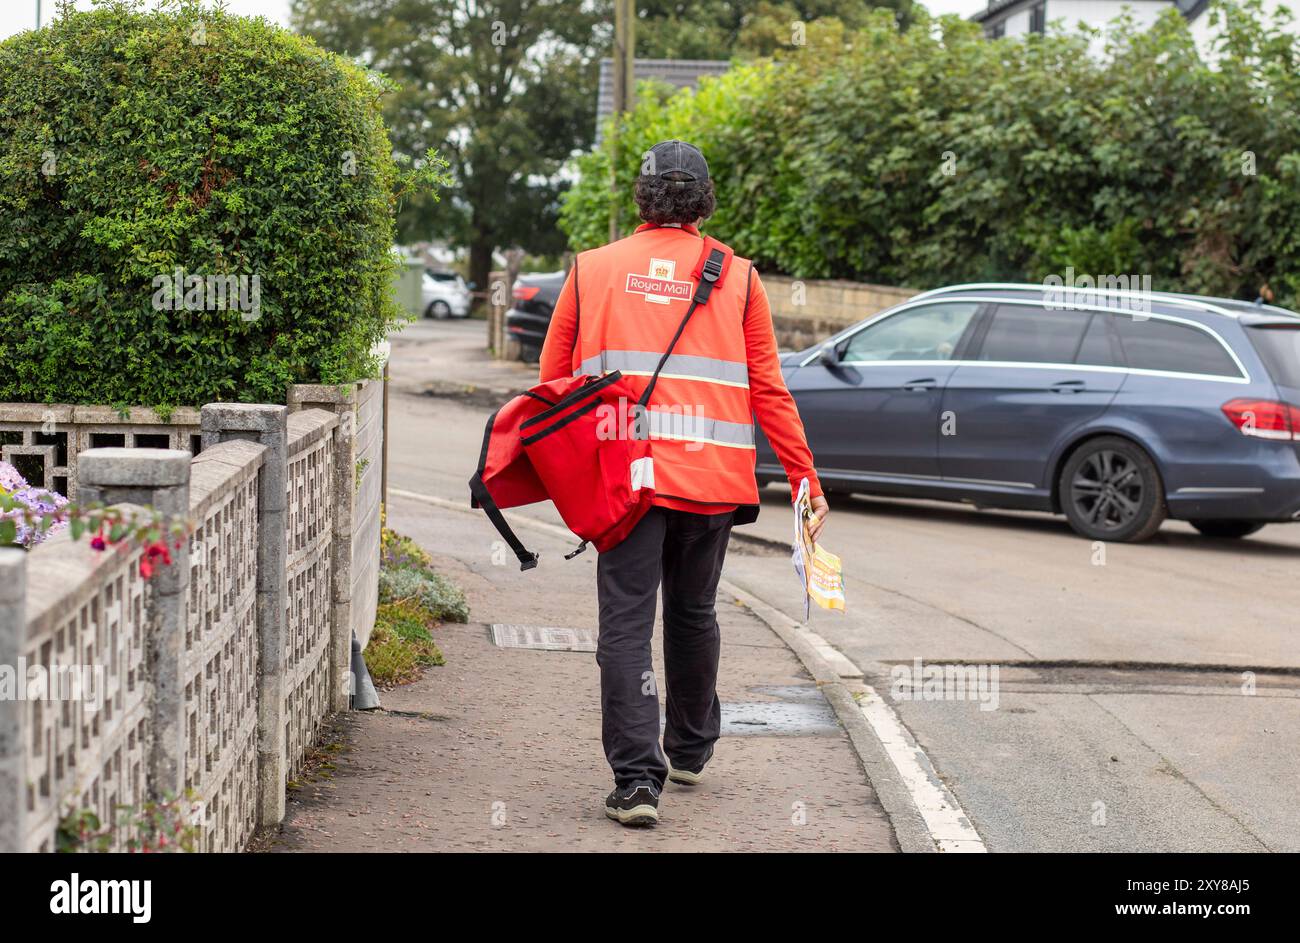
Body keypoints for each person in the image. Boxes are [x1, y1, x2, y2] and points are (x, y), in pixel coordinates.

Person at [539, 139, 828, 827]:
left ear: (641, 198)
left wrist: (559, 475)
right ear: (703, 199)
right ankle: (692, 748)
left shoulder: (591, 270)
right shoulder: (739, 276)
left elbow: (551, 386)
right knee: (694, 613)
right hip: (714, 480)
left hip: (626, 480)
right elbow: (770, 389)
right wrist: (804, 476)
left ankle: (638, 783)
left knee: (627, 624)